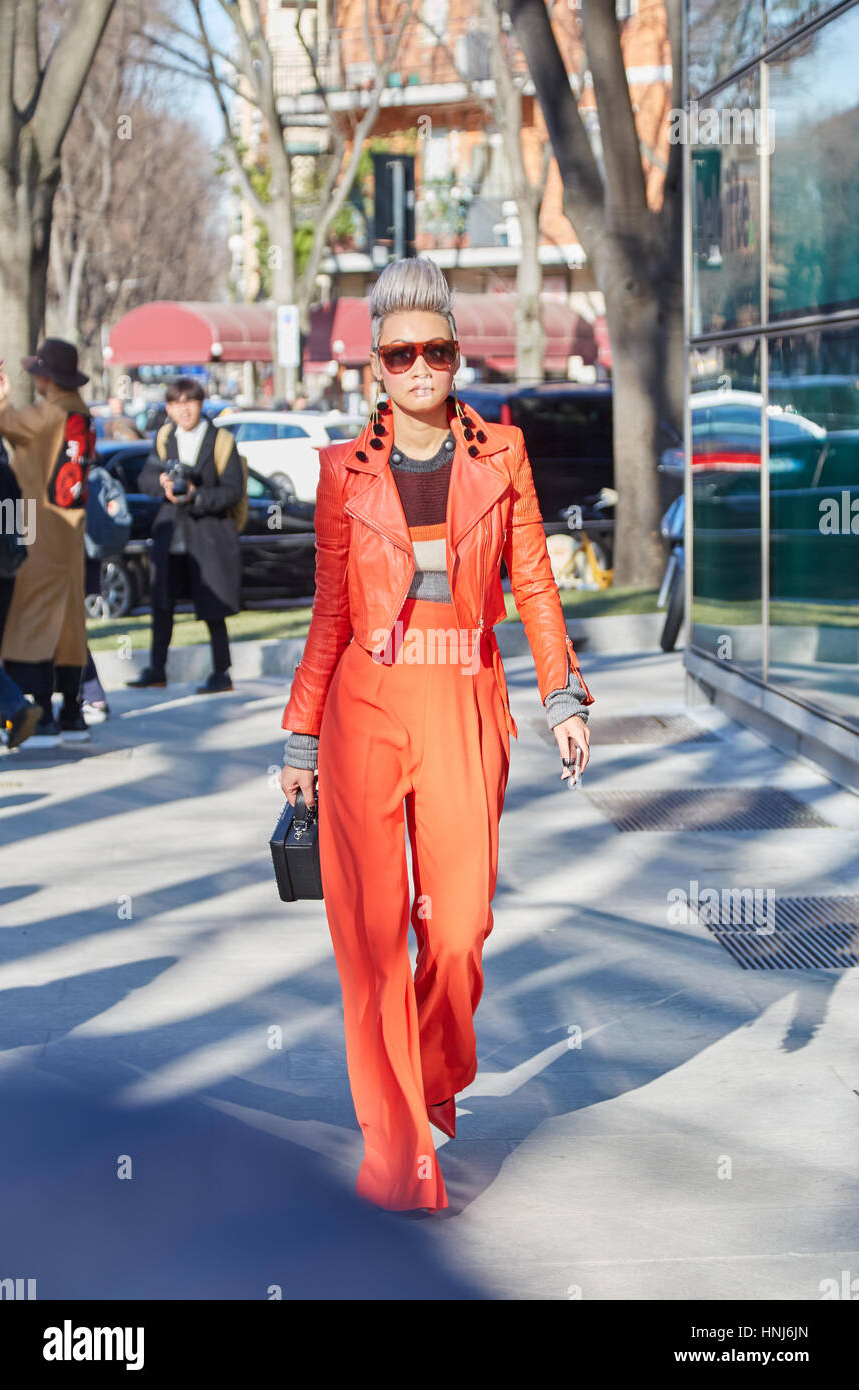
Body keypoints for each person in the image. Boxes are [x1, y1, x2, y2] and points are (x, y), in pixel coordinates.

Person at [279, 257, 594, 1215]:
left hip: (465, 698)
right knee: (373, 945)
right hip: (364, 708)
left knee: (457, 932)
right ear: (375, 365)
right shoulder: (342, 471)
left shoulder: (503, 455)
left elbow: (533, 581)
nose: (421, 368)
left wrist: (562, 694)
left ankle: (428, 1074)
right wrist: (300, 735)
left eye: (438, 351)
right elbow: (332, 611)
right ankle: (401, 1159)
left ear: (459, 356)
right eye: (402, 353)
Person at [0, 338, 94, 745]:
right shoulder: (78, 411)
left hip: (39, 524)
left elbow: (11, 426)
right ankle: (72, 709)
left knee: (33, 616)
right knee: (69, 621)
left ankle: (43, 712)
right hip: (69, 527)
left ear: (47, 379)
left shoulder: (52, 411)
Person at [126, 376, 243, 694]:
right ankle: (156, 668)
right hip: (171, 536)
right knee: (162, 606)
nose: (184, 410)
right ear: (168, 408)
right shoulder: (165, 438)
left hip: (208, 536)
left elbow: (233, 491)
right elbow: (145, 479)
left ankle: (222, 671)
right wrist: (163, 484)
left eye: (189, 402)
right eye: (177, 404)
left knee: (212, 608)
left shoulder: (220, 441)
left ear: (201, 404)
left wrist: (196, 496)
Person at [0, 433, 43, 747]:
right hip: (5, 571)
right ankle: (11, 708)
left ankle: (12, 707)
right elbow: (21, 521)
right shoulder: (3, 471)